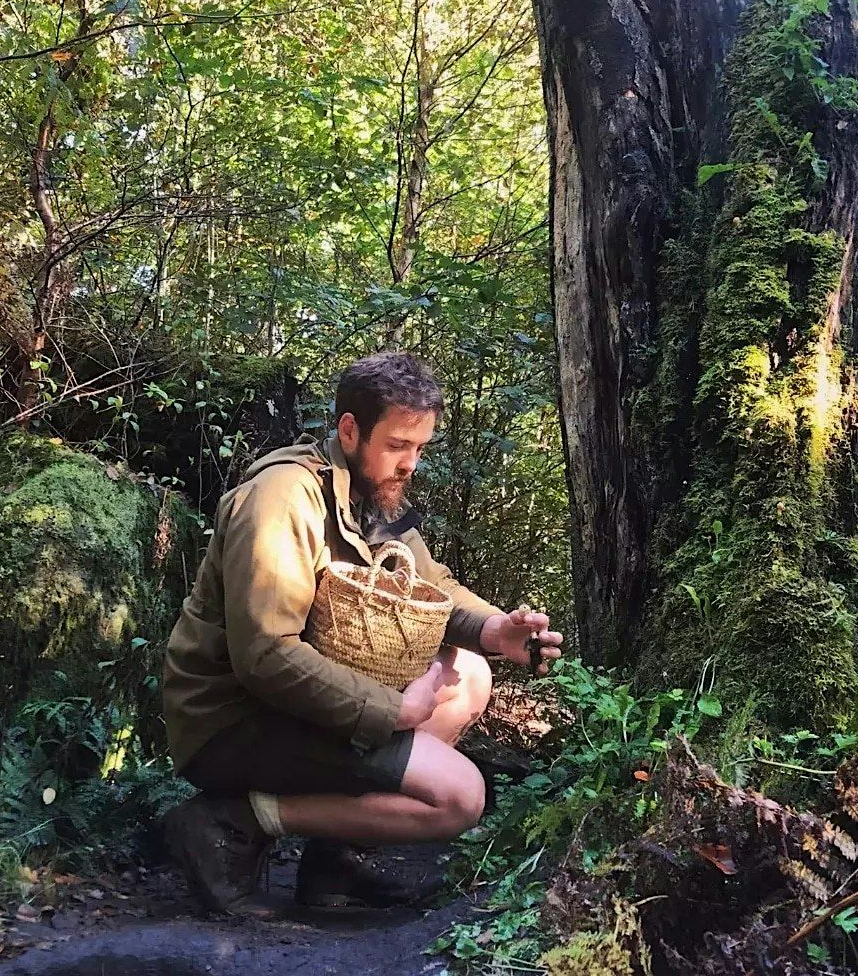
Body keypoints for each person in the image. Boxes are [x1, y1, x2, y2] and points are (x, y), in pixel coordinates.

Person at [162, 351, 562, 913]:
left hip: (297, 710)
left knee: (468, 671)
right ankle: (231, 822)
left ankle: (337, 862)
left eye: (420, 448)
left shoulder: (369, 493)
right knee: (459, 799)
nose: (411, 464)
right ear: (350, 430)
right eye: (398, 445)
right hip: (232, 721)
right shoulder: (283, 498)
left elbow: (429, 586)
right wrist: (394, 711)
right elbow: (265, 656)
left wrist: (496, 630)